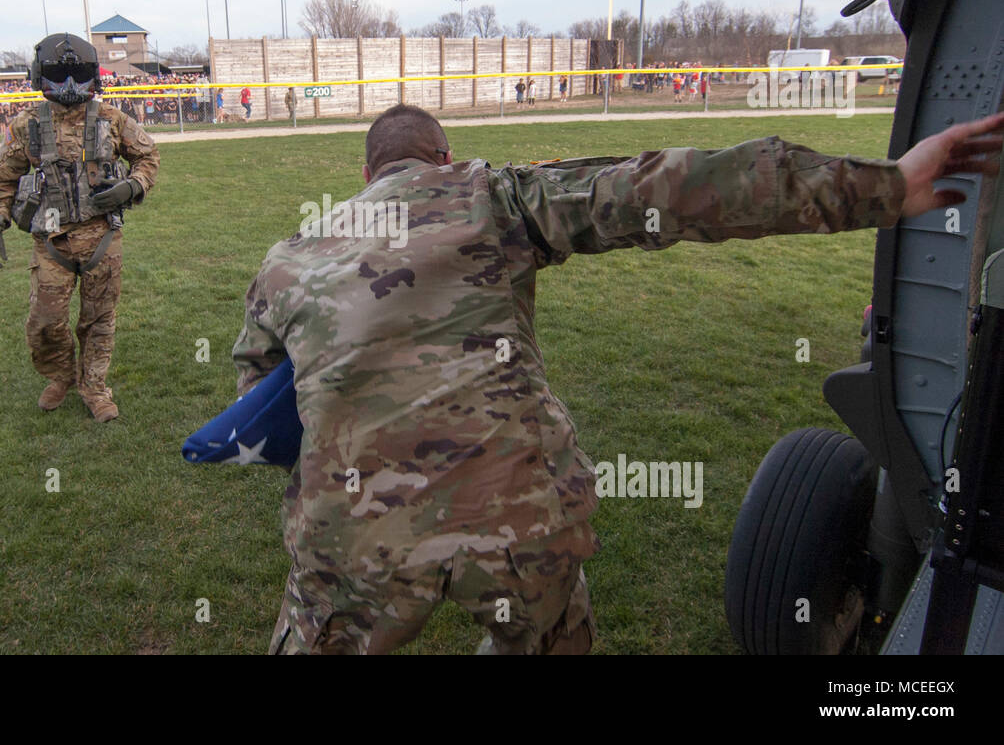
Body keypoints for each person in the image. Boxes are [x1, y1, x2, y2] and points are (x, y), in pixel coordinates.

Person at [230, 103, 1004, 655]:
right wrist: (883, 186)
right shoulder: (491, 195)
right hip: (516, 521)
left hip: (351, 533)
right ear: (443, 156)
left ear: (366, 174)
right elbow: (658, 189)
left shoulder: (287, 261)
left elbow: (258, 404)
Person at [0, 33, 160, 422]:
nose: (68, 86)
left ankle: (94, 387)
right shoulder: (27, 125)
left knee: (99, 319)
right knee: (45, 321)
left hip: (102, 237)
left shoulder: (113, 120)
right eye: (59, 76)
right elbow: (4, 179)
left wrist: (133, 186)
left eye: (77, 76)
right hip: (51, 240)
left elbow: (148, 157)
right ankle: (61, 375)